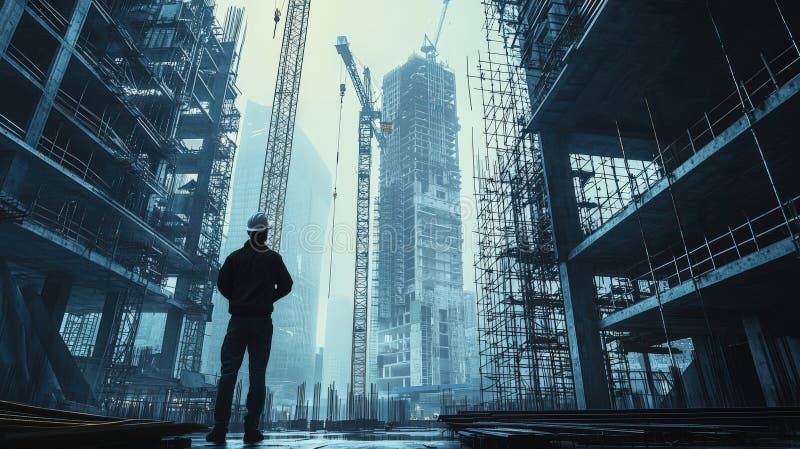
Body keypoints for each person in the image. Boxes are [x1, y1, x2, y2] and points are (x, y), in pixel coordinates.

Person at [206, 212, 293, 444]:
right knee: (257, 375)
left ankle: (220, 429)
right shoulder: (274, 259)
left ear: (248, 233)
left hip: (238, 321)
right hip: (262, 323)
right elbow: (287, 284)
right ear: (264, 233)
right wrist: (268, 299)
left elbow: (222, 284)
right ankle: (251, 429)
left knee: (228, 374)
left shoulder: (235, 258)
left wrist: (237, 298)